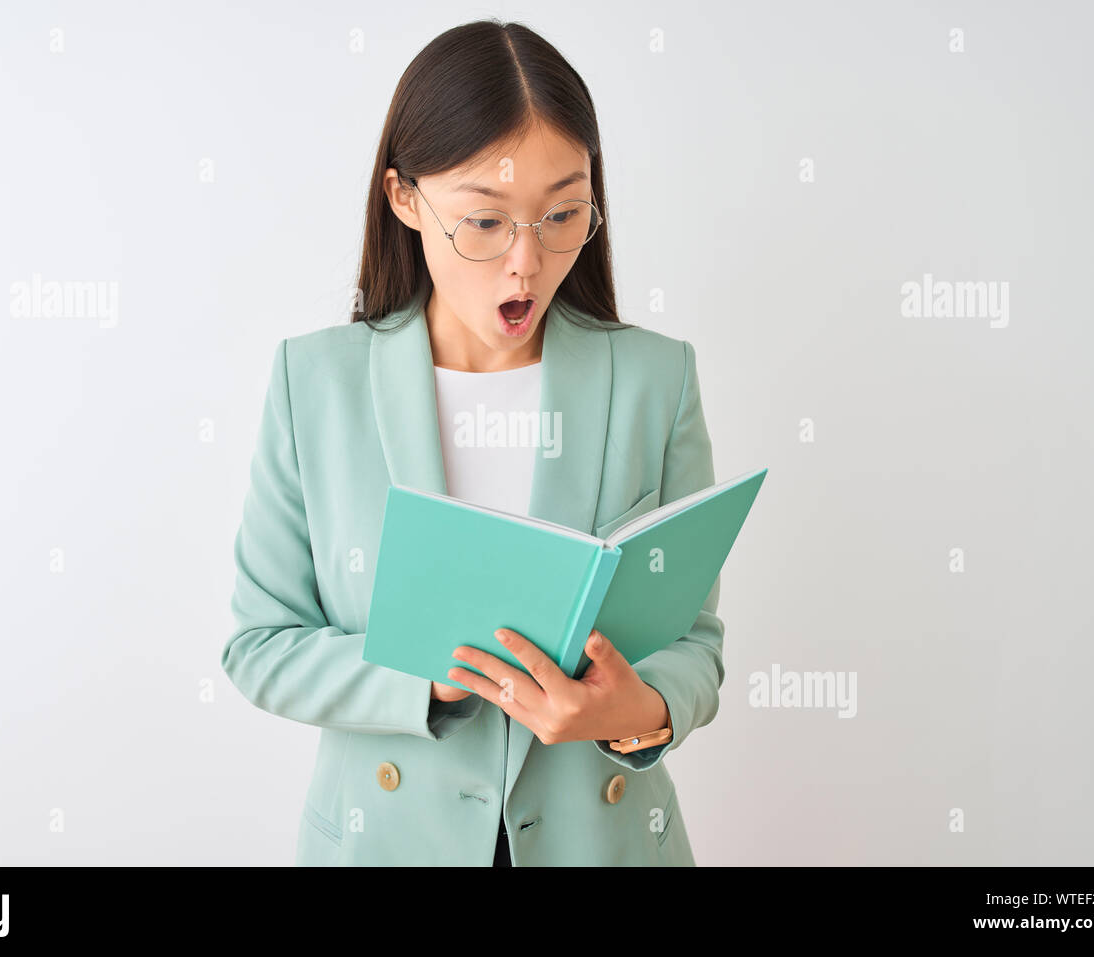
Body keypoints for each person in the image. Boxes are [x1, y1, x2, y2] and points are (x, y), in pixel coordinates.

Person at [222, 18, 724, 866]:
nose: (525, 265)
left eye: (562, 213)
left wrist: (634, 713)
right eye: (485, 222)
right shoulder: (316, 384)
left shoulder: (654, 379)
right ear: (405, 199)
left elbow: (696, 646)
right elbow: (259, 644)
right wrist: (427, 676)